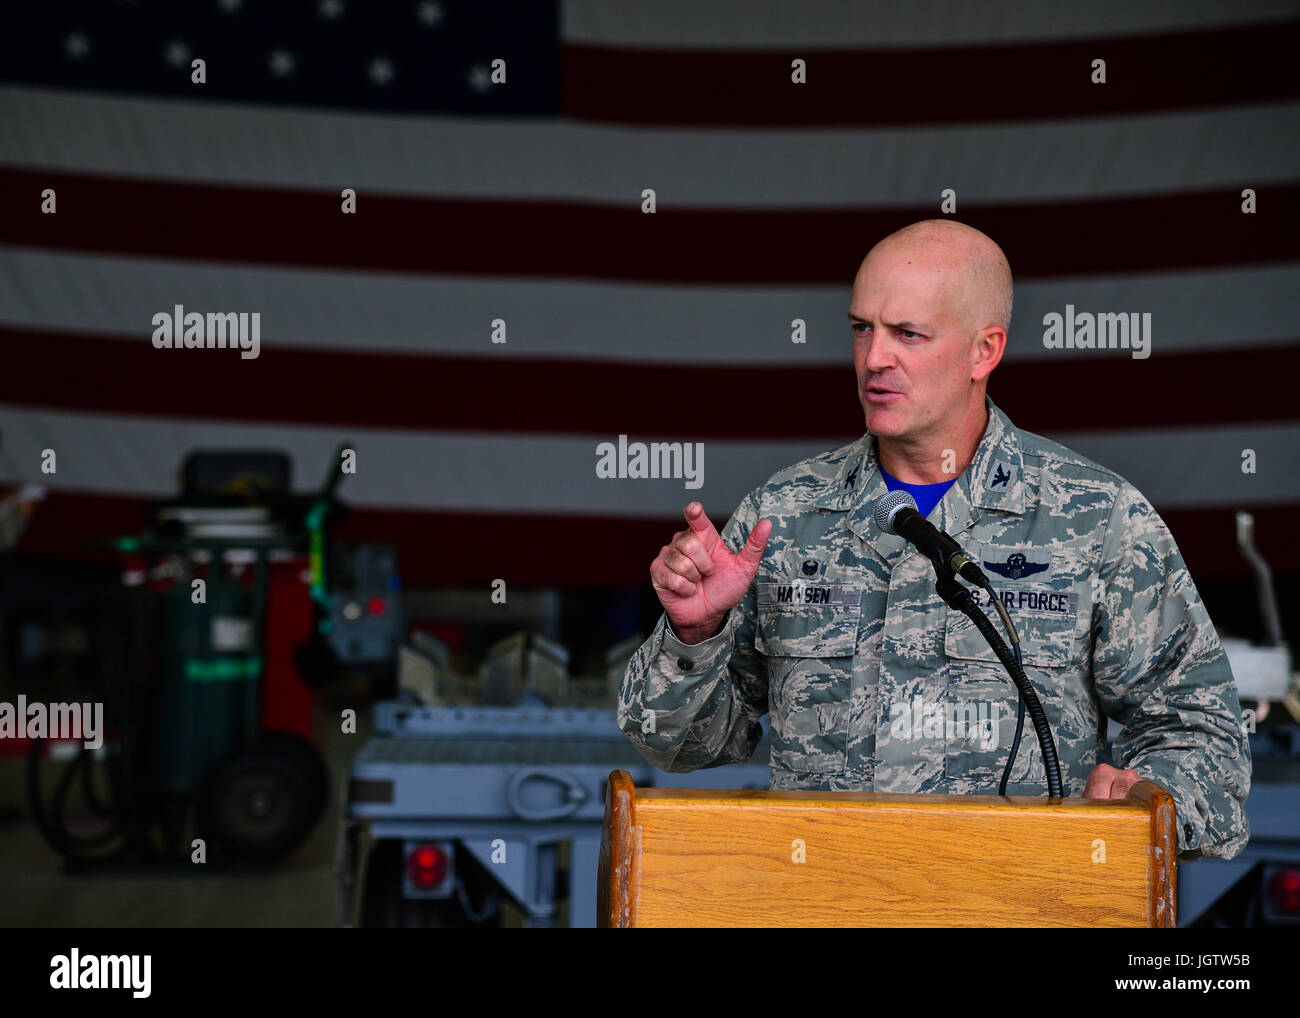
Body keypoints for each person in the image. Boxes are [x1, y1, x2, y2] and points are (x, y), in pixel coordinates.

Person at [617, 219, 1250, 862]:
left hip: (1018, 904)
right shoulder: (780, 516)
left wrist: (1149, 801)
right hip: (826, 898)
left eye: (907, 334)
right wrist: (694, 638)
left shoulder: (1099, 520)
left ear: (985, 351)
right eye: (862, 328)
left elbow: (1204, 733)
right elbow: (682, 746)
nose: (874, 359)